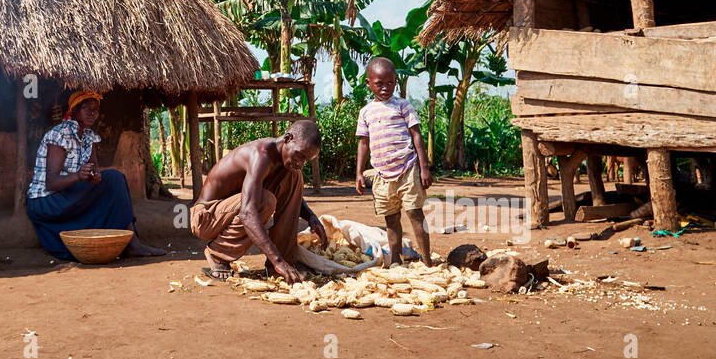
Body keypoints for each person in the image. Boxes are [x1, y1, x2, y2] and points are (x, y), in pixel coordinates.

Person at [26, 90, 166, 261]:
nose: (92, 113)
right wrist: (79, 176)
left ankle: (131, 242)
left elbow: (95, 170)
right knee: (112, 181)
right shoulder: (60, 134)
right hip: (47, 200)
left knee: (115, 179)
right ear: (74, 111)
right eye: (87, 108)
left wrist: (95, 177)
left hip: (67, 195)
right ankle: (130, 243)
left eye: (96, 110)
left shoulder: (89, 137)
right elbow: (51, 182)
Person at [190, 119, 327, 282]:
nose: (300, 163)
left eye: (305, 160)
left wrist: (310, 216)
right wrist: (278, 261)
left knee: (295, 177)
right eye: (299, 155)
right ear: (288, 138)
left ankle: (284, 260)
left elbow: (292, 196)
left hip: (229, 210)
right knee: (264, 201)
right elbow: (248, 213)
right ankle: (218, 254)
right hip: (205, 217)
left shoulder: (285, 163)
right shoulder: (260, 156)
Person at [354, 56, 433, 265]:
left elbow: (416, 135)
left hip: (407, 169)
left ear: (395, 82)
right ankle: (395, 260)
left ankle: (427, 261)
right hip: (381, 174)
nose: (385, 88)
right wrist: (359, 173)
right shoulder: (366, 112)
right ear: (368, 83)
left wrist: (424, 168)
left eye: (390, 83)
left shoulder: (403, 106)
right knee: (391, 219)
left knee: (415, 214)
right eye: (379, 84)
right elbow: (363, 143)